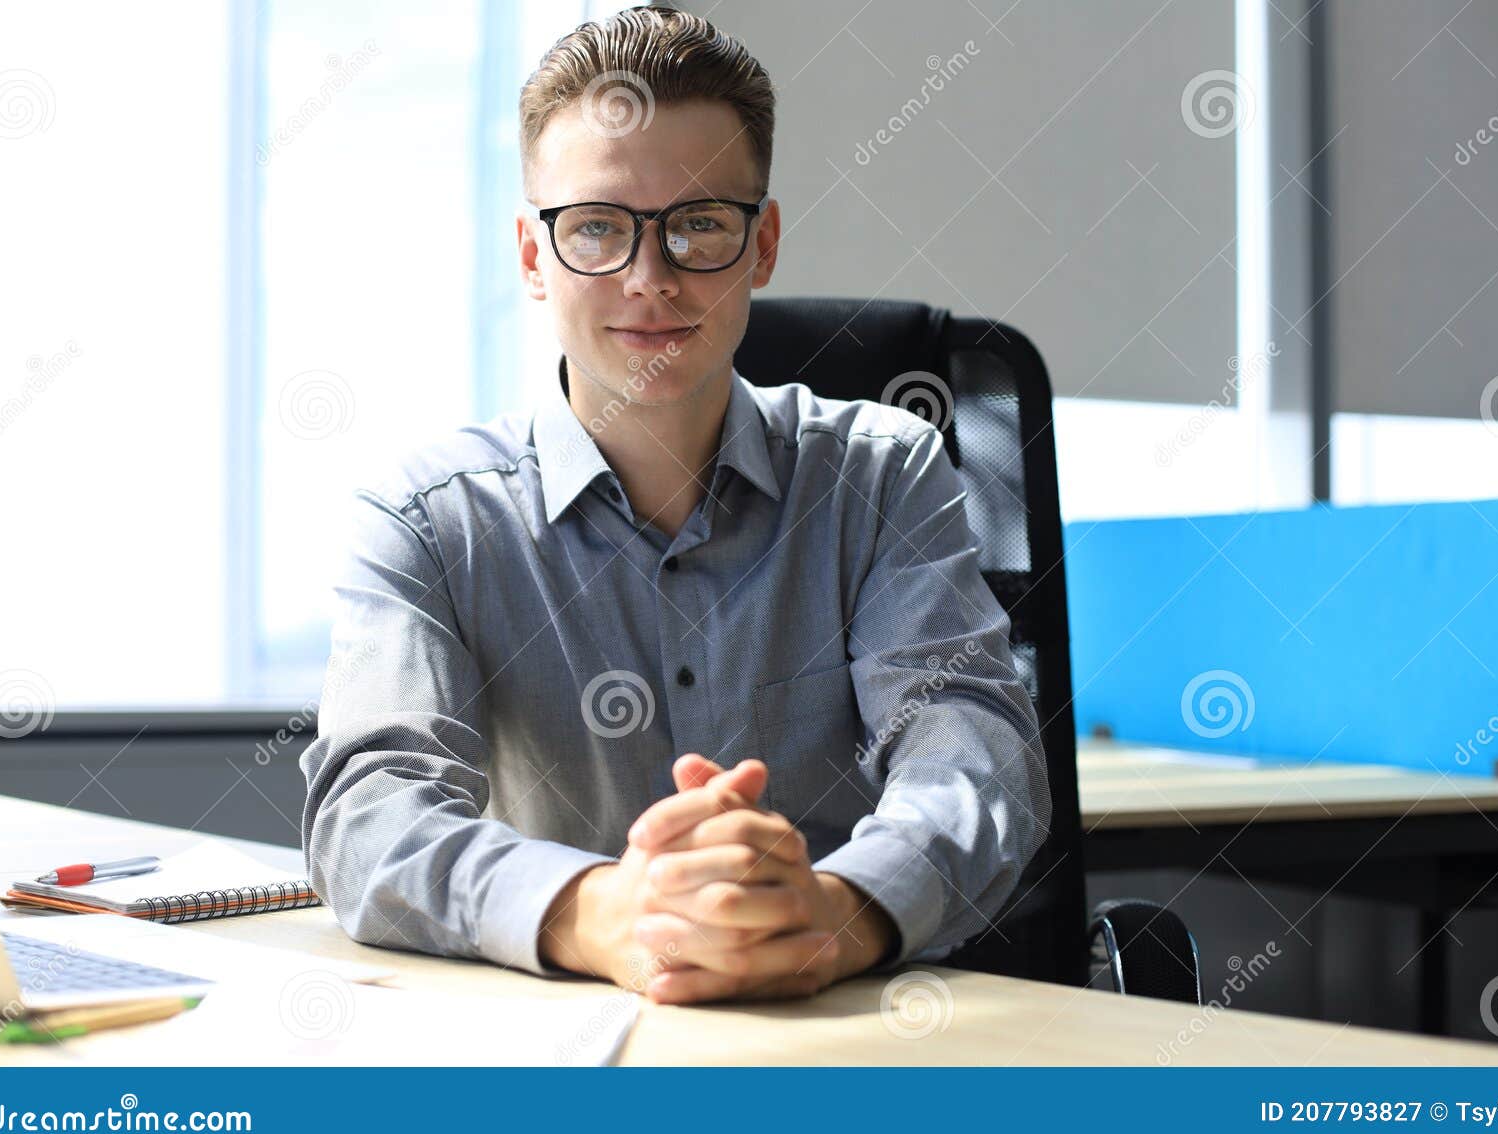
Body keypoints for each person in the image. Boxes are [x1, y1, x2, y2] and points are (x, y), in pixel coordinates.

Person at [299, 4, 1049, 1005]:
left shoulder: (884, 473)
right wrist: (601, 910)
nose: (649, 279)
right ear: (532, 255)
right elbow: (368, 814)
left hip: (849, 1031)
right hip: (569, 1043)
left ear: (762, 242)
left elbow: (975, 756)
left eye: (698, 224)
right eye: (599, 227)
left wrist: (838, 909)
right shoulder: (428, 519)